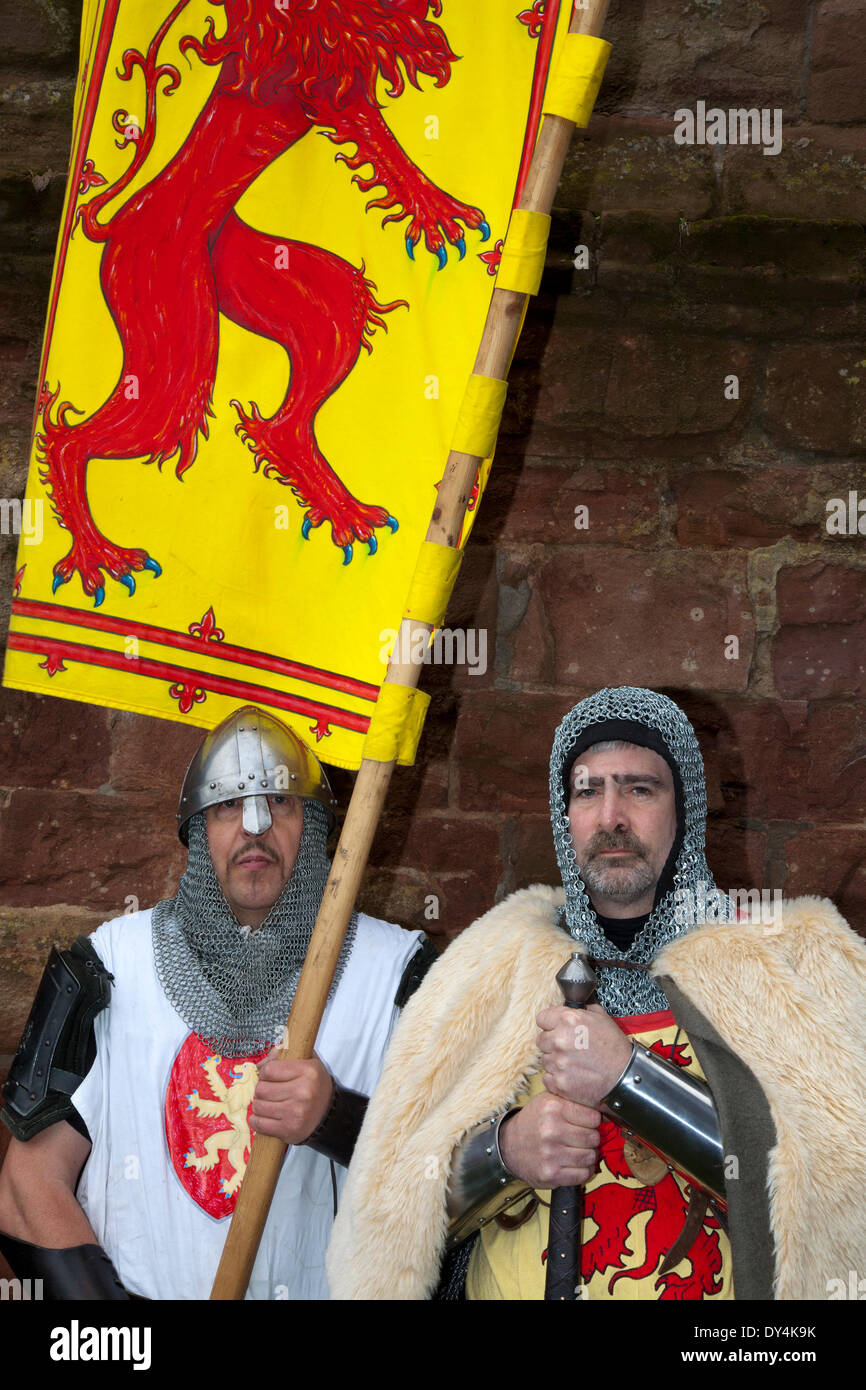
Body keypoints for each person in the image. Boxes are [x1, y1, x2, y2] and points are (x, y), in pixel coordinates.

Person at [328, 686, 866, 1300]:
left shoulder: (795, 963)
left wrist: (627, 1076)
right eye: (588, 790)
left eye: (639, 788)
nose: (611, 816)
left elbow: (844, 1197)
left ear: (683, 809)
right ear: (566, 815)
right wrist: (506, 1151)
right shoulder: (488, 965)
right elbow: (386, 1213)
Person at [0, 704, 429, 1299]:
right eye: (228, 804)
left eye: (279, 801)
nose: (254, 827)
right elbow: (27, 1186)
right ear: (198, 831)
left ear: (315, 825)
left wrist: (338, 1120)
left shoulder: (396, 974)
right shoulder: (106, 967)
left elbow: (463, 1176)